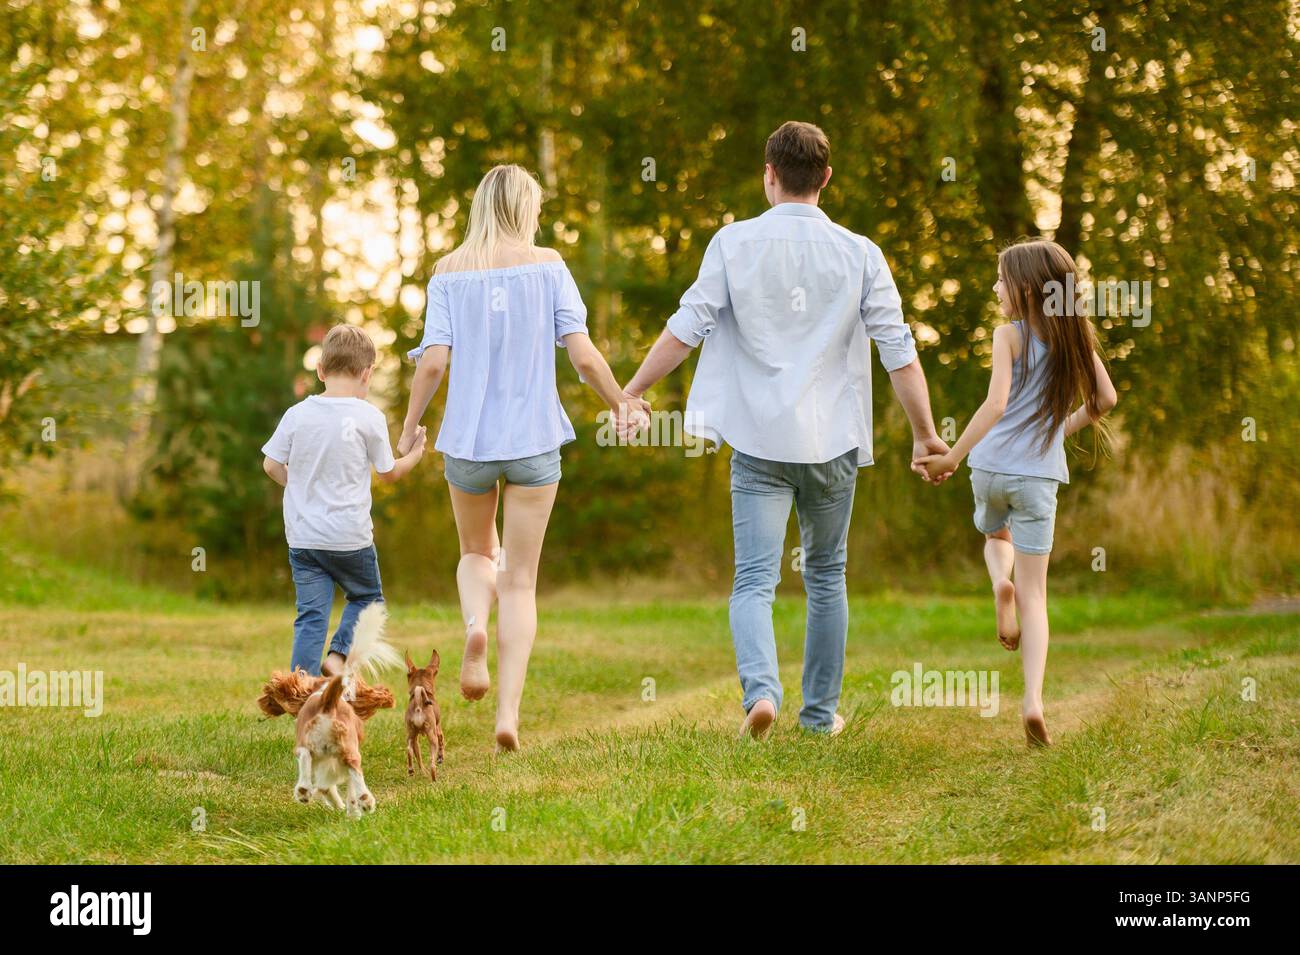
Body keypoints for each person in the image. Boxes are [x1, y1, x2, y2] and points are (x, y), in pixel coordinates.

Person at [623, 121, 948, 740]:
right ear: (825, 178)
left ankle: (761, 692)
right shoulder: (860, 253)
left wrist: (633, 391)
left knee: (753, 580)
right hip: (833, 443)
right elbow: (898, 351)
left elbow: (686, 326)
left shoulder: (733, 243)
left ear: (768, 175)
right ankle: (820, 715)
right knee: (826, 574)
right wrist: (926, 434)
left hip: (759, 440)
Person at [398, 164, 644, 752]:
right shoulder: (550, 265)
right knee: (522, 580)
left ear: (480, 207)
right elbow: (583, 358)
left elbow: (432, 363)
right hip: (534, 441)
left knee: (476, 554)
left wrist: (409, 428)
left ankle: (474, 628)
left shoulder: (449, 273)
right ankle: (507, 715)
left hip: (469, 444)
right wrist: (622, 403)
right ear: (526, 209)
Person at [917, 238, 1118, 746]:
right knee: (1037, 596)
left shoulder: (1007, 336)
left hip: (990, 469)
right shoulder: (1076, 341)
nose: (995, 287)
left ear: (1025, 288)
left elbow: (996, 405)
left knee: (993, 535)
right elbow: (1106, 399)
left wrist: (952, 456)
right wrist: (1057, 433)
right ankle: (1032, 701)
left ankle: (995, 585)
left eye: (1001, 280)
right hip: (1039, 476)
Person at [262, 324, 427, 677]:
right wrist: (414, 455)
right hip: (350, 538)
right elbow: (388, 473)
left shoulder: (297, 415)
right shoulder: (369, 416)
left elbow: (271, 464)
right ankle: (337, 660)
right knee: (368, 600)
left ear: (321, 371)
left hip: (304, 538)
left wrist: (297, 484)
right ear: (367, 374)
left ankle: (301, 692)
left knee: (311, 616)